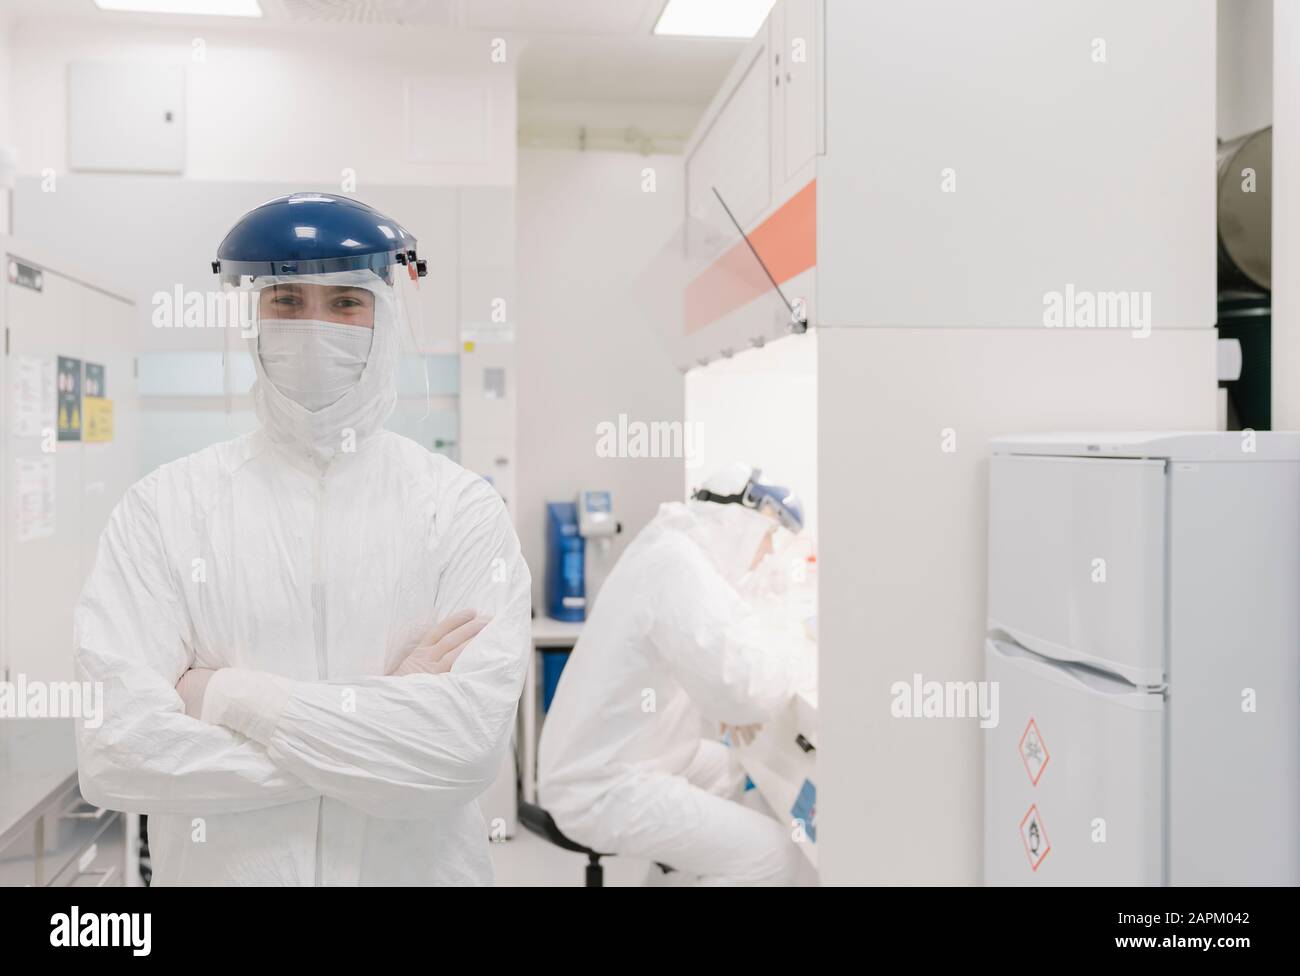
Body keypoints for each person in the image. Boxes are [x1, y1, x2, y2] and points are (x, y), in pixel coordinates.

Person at [73, 193, 530, 886]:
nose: (315, 326)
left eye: (345, 302)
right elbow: (119, 753)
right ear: (253, 318)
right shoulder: (165, 510)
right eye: (286, 300)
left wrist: (231, 698)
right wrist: (386, 722)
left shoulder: (460, 509)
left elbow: (463, 751)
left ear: (387, 314)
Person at [538, 463, 811, 885]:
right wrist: (791, 652)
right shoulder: (678, 564)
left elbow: (718, 664)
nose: (768, 554)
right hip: (604, 786)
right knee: (775, 856)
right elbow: (744, 688)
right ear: (741, 520)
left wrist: (731, 699)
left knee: (739, 772)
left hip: (624, 757)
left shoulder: (670, 548)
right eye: (768, 537)